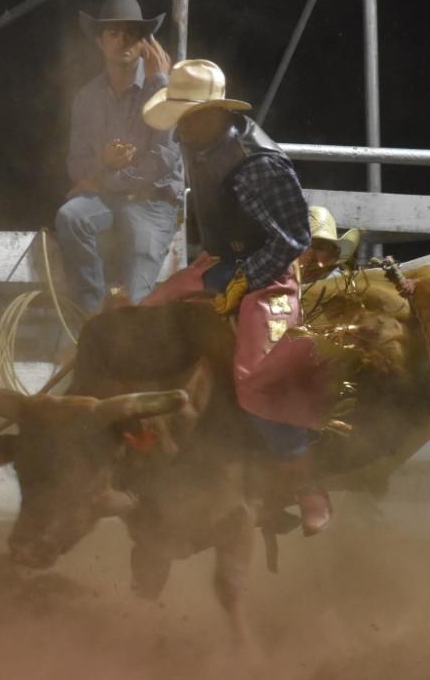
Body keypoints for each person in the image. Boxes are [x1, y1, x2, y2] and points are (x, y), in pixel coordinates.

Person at [140, 59, 332, 536]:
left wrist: (241, 284)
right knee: (143, 319)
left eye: (187, 116)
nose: (180, 129)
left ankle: (307, 485)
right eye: (179, 118)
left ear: (213, 115)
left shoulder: (259, 166)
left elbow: (291, 240)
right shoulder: (204, 147)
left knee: (259, 375)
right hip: (220, 262)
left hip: (268, 275)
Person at [55, 0, 184, 312]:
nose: (122, 40)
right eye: (113, 32)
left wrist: (104, 178)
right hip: (110, 198)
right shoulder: (87, 98)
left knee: (136, 295)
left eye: (132, 33)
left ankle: (127, 335)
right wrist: (102, 165)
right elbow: (77, 163)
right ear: (100, 42)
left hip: (152, 202)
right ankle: (92, 316)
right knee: (70, 216)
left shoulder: (164, 89)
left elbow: (163, 163)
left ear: (145, 43)